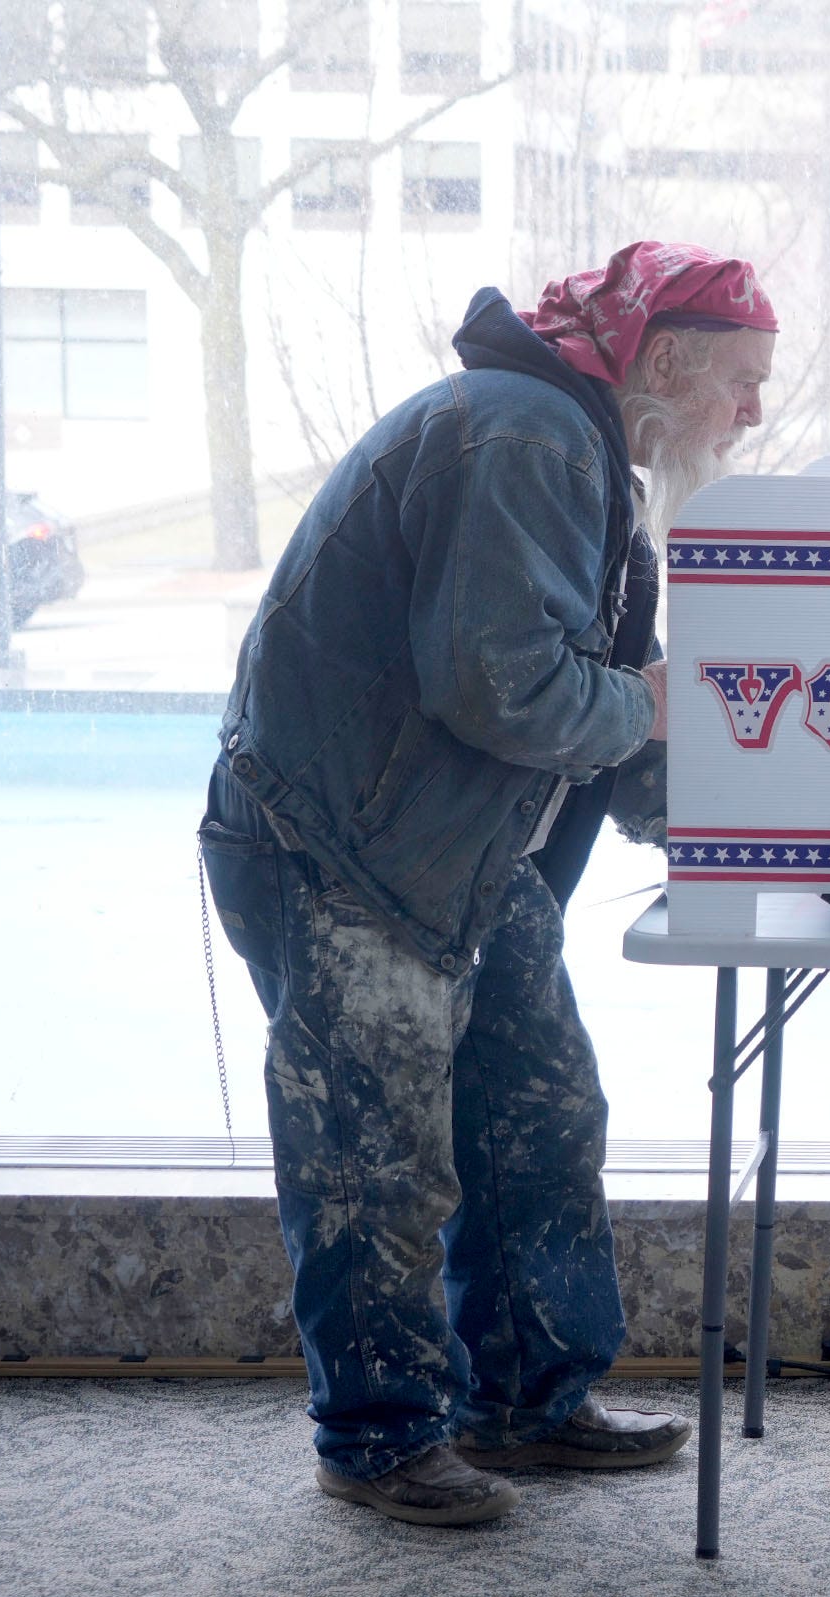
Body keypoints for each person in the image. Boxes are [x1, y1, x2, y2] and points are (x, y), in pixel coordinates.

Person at [198, 241, 780, 1527]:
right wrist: (656, 714)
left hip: (449, 850)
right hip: (343, 849)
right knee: (378, 1154)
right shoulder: (525, 441)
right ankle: (381, 1438)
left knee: (539, 1114)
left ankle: (524, 1398)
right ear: (663, 358)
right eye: (740, 379)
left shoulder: (577, 452)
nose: (754, 411)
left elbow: (604, 688)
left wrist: (725, 830)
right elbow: (506, 687)